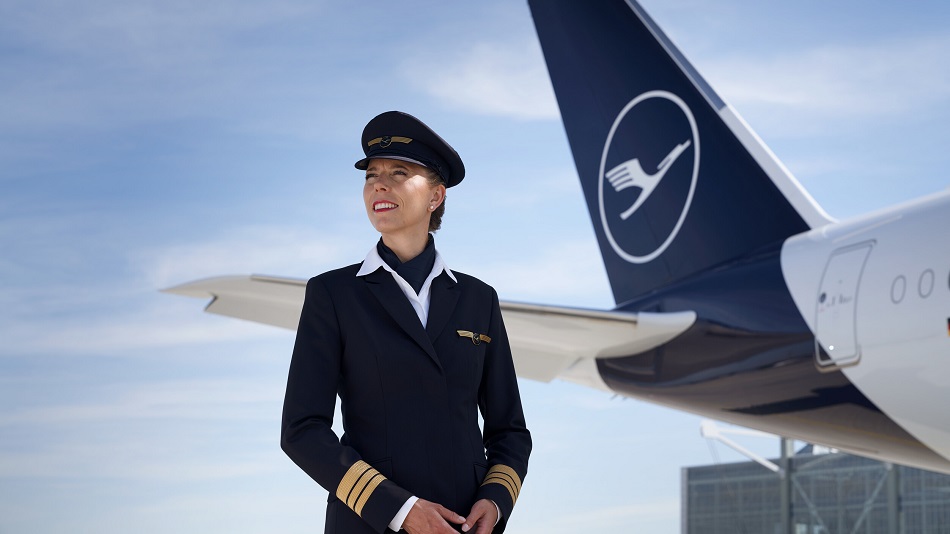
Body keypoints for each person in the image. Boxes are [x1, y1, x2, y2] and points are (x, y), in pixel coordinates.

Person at [281, 111, 531, 534]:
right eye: (372, 174)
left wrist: (495, 499)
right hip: (371, 524)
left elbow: (509, 430)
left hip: (464, 525)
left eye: (400, 172)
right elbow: (302, 430)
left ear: (436, 196)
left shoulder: (478, 299)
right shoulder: (333, 294)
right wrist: (400, 509)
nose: (380, 183)